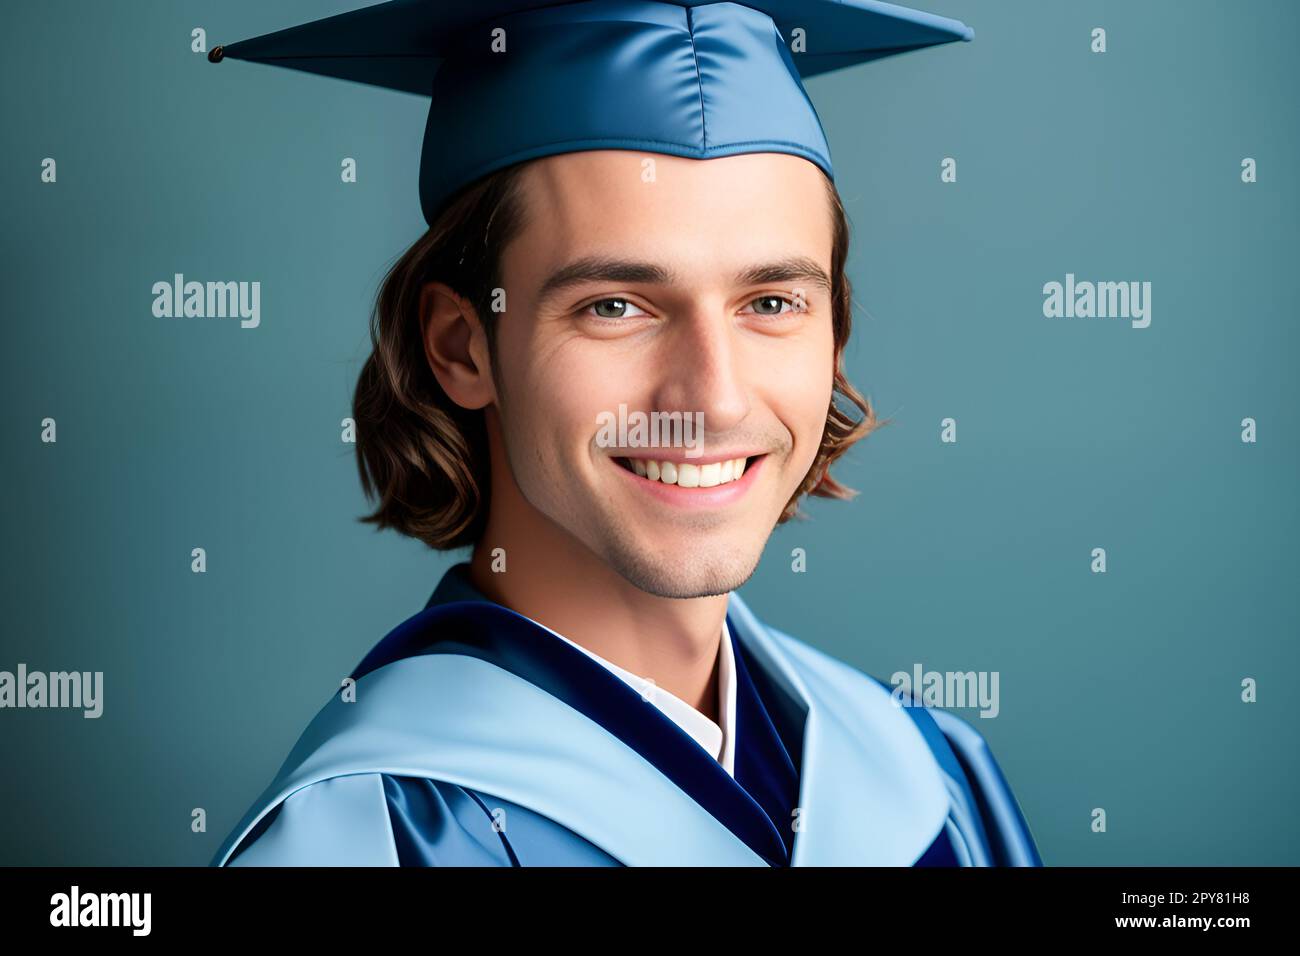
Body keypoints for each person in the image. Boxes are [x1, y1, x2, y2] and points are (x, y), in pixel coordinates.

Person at [208, 0, 1042, 867]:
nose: (713, 400)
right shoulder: (373, 837)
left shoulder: (924, 780)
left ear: (833, 333)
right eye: (615, 307)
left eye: (771, 302)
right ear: (464, 348)